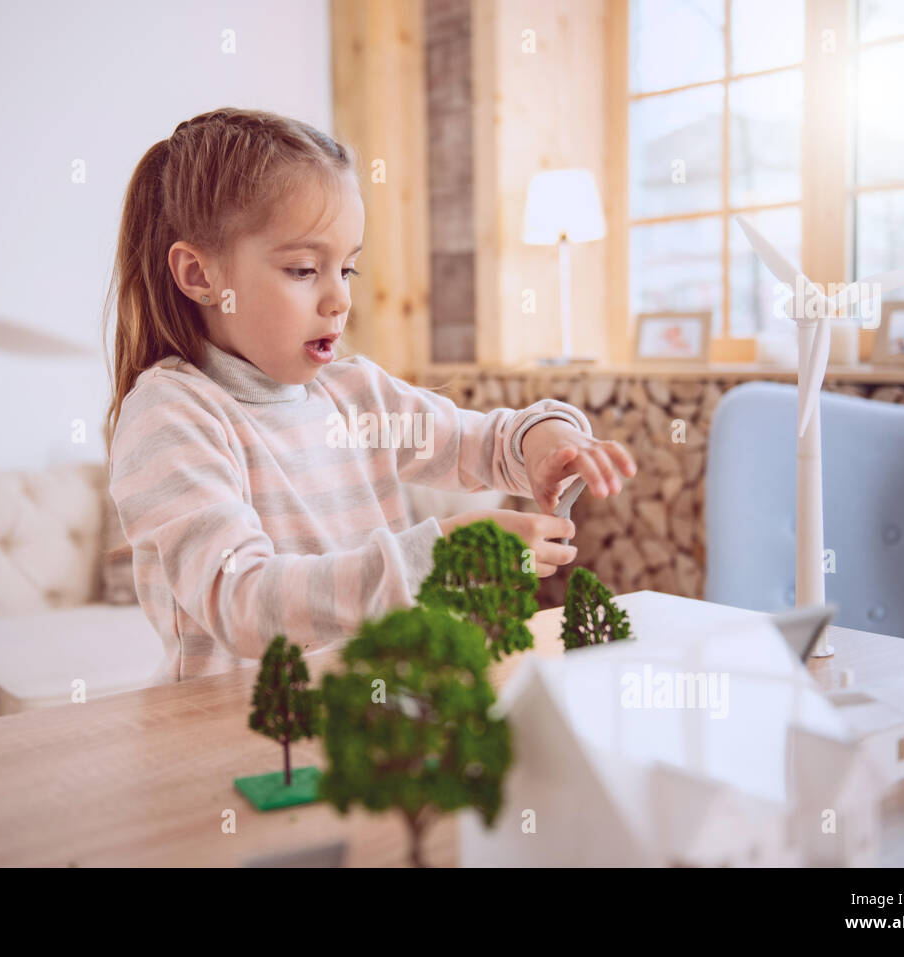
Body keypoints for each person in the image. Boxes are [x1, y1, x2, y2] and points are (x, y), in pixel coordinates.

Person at [103, 108, 636, 680]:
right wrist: (439, 560)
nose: (339, 300)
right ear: (200, 276)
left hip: (375, 716)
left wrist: (547, 440)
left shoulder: (357, 396)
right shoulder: (171, 416)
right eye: (304, 270)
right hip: (239, 737)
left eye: (348, 270)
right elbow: (245, 603)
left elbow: (481, 444)